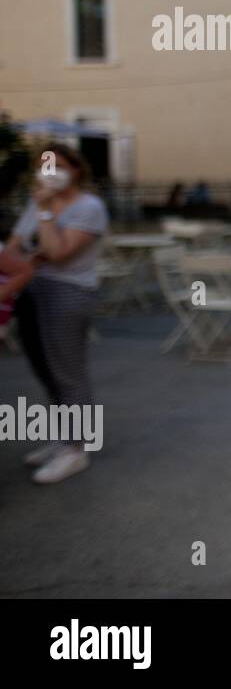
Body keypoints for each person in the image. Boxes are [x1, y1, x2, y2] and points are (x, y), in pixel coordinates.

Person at [3, 142, 109, 484]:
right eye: (44, 164)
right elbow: (16, 247)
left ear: (76, 169)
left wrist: (46, 213)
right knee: (45, 369)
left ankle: (78, 450)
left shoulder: (89, 207)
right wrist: (24, 258)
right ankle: (65, 439)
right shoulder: (37, 204)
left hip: (68, 293)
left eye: (58, 164)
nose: (50, 172)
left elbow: (58, 253)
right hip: (32, 292)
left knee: (68, 372)